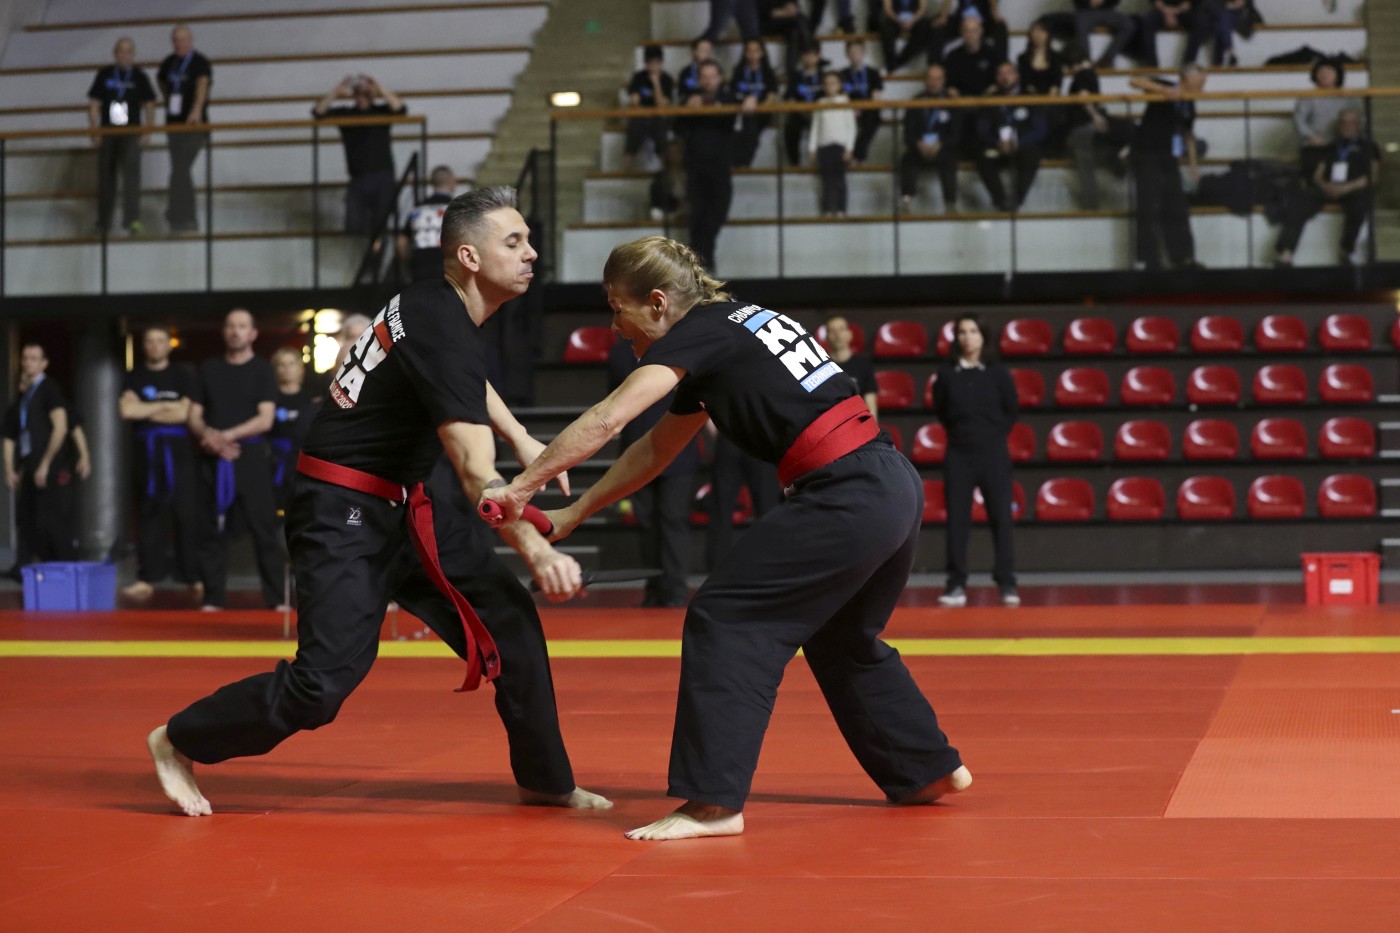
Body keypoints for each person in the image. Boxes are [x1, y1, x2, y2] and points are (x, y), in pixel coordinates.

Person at [483, 236, 970, 840]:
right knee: (843, 635)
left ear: (658, 302)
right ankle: (926, 767)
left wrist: (521, 487)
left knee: (726, 617)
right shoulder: (735, 327)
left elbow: (611, 417)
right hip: (888, 483)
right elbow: (657, 448)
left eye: (617, 307)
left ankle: (713, 804)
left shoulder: (702, 330)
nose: (613, 326)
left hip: (847, 493)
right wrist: (572, 513)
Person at [148, 186, 608, 819]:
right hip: (341, 511)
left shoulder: (428, 300)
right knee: (321, 687)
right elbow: (475, 476)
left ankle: (546, 780)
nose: (532, 253)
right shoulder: (444, 323)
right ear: (469, 257)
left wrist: (520, 434)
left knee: (509, 620)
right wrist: (533, 545)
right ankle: (178, 739)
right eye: (515, 242)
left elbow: (459, 378)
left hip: (405, 506)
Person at [189, 309, 288, 611]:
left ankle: (276, 599)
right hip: (213, 459)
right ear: (224, 332)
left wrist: (225, 436)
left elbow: (265, 419)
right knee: (211, 530)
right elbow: (193, 415)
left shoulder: (262, 370)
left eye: (242, 326)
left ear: (253, 334)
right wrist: (210, 437)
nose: (235, 331)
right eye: (230, 326)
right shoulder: (208, 369)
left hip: (251, 458)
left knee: (264, 530)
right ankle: (212, 598)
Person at [932, 314, 1018, 607]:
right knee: (957, 520)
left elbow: (1011, 409)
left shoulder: (998, 373)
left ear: (983, 336)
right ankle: (955, 584)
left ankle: (1007, 583)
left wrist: (991, 436)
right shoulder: (946, 375)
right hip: (959, 454)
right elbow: (941, 410)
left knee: (1001, 518)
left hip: (994, 453)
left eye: (973, 331)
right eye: (962, 332)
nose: (967, 337)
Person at [607, 339, 699, 608]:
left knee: (673, 519)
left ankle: (675, 588)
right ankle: (654, 587)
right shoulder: (620, 353)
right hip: (637, 450)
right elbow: (612, 402)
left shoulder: (679, 346)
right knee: (646, 521)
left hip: (679, 450)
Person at [118, 326, 202, 600]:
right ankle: (148, 577)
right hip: (146, 452)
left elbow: (185, 414)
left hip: (179, 452)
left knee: (186, 513)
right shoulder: (134, 376)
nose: (154, 345)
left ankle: (191, 575)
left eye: (159, 341)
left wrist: (146, 408)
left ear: (169, 346)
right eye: (149, 341)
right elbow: (127, 410)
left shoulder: (182, 375)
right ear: (144, 346)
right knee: (147, 514)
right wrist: (167, 406)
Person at [2, 343, 77, 573]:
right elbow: (9, 435)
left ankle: (64, 566)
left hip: (47, 464)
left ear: (44, 363)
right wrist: (9, 469)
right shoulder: (24, 397)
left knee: (50, 518)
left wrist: (46, 463)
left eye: (34, 358)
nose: (28, 363)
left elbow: (61, 427)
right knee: (26, 517)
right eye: (25, 358)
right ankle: (23, 565)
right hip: (29, 463)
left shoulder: (49, 388)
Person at [1274, 109, 1379, 268]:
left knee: (1360, 206)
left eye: (1351, 122)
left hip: (1353, 189)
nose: (1346, 125)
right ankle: (1285, 254)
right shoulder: (1330, 146)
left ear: (1358, 125)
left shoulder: (1369, 146)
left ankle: (1346, 250)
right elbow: (1318, 173)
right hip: (1327, 189)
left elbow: (1372, 176)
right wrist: (1325, 186)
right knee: (1299, 203)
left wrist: (1345, 188)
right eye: (1343, 122)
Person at [1130, 65, 1205, 270]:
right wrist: (1163, 91)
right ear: (1187, 79)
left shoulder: (1189, 104)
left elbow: (1188, 135)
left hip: (1168, 157)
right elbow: (1135, 80)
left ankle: (1182, 258)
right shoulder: (1167, 86)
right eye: (1200, 82)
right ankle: (1148, 260)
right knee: (1148, 206)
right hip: (1146, 153)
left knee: (1177, 206)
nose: (1203, 87)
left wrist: (1192, 166)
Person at [313, 74, 406, 235]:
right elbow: (318, 112)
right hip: (358, 178)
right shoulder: (346, 114)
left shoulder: (380, 111)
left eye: (366, 92)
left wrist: (380, 88)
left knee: (381, 226)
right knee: (354, 227)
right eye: (358, 92)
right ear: (354, 94)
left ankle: (378, 259)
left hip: (383, 176)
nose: (362, 96)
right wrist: (336, 92)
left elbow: (400, 109)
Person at [678, 59, 749, 268]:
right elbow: (678, 128)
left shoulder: (729, 97)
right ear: (699, 79)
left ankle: (698, 264)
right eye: (704, 77)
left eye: (712, 76)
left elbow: (736, 117)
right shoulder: (689, 99)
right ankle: (702, 269)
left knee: (717, 212)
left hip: (720, 166)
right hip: (695, 166)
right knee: (697, 216)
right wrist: (687, 109)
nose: (708, 81)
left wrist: (750, 100)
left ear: (720, 78)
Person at [87, 37, 158, 235]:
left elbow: (150, 104)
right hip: (109, 132)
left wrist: (148, 130)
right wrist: (94, 130)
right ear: (115, 53)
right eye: (120, 51)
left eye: (128, 51)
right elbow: (94, 104)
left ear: (133, 54)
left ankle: (132, 220)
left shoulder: (139, 76)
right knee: (106, 178)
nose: (124, 54)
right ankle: (103, 221)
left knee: (131, 178)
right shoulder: (104, 74)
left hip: (131, 133)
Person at [157, 24, 212, 232]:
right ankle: (177, 213)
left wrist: (196, 109)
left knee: (181, 167)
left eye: (183, 39)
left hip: (194, 125)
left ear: (190, 40)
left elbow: (202, 84)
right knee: (178, 168)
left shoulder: (199, 62)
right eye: (176, 40)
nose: (179, 43)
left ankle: (184, 214)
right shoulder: (169, 63)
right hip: (174, 124)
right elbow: (162, 82)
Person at [1063, 49, 1132, 209]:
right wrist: (1095, 115)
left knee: (1085, 161)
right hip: (1084, 125)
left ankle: (1090, 202)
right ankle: (1117, 159)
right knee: (1127, 129)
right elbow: (1084, 96)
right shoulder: (1086, 74)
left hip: (1079, 127)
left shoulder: (1083, 74)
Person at [974, 62, 1047, 212]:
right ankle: (1000, 201)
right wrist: (997, 142)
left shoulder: (1029, 97)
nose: (1005, 77)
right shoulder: (991, 99)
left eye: (1009, 72)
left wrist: (1018, 142)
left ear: (1017, 76)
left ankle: (1017, 200)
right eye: (1000, 74)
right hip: (998, 147)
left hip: (1021, 146)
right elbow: (982, 128)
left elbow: (1039, 128)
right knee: (983, 157)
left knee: (1032, 154)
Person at [900, 62, 962, 213]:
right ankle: (906, 201)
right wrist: (918, 143)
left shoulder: (951, 102)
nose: (934, 82)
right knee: (907, 160)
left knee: (949, 161)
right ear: (925, 80)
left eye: (938, 78)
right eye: (931, 78)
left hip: (943, 147)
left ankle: (950, 203)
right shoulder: (916, 101)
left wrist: (940, 144)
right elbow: (907, 134)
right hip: (920, 147)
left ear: (944, 80)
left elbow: (957, 133)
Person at [268, 346, 322, 513]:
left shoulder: (312, 398)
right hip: (274, 462)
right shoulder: (269, 399)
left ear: (300, 368)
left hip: (303, 459)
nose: (287, 369)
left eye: (291, 363)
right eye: (281, 364)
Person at [1295, 59, 1352, 184]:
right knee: (1313, 160)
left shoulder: (1348, 96)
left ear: (1338, 75)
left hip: (1341, 143)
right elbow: (1299, 121)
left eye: (1329, 71)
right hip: (1315, 144)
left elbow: (1357, 120)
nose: (1324, 75)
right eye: (1321, 72)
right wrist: (1311, 136)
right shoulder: (1307, 96)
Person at [396, 165, 457, 282]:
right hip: (449, 267)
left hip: (420, 266)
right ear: (451, 183)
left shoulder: (418, 209)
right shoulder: (456, 209)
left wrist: (408, 262)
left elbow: (401, 242)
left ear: (432, 182)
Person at [810, 71, 857, 217]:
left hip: (840, 146)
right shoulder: (820, 103)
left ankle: (842, 208)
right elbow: (815, 127)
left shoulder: (845, 101)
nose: (830, 86)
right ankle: (828, 209)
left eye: (833, 83)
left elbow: (851, 127)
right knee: (827, 178)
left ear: (839, 85)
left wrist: (849, 148)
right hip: (824, 146)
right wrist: (811, 148)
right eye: (827, 83)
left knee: (840, 178)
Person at [623, 46, 675, 173]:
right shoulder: (639, 77)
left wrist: (656, 83)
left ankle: (667, 169)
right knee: (637, 124)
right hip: (641, 116)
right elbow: (634, 102)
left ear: (661, 63)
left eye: (655, 63)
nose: (652, 66)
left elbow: (662, 105)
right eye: (649, 63)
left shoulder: (667, 80)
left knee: (660, 126)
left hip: (660, 117)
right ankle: (624, 169)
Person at [730, 39, 778, 168]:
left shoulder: (768, 72)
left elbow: (771, 96)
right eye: (749, 51)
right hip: (741, 111)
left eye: (756, 51)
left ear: (762, 53)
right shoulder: (738, 71)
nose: (752, 54)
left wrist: (757, 107)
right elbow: (733, 93)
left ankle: (743, 164)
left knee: (751, 129)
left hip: (761, 113)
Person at [839, 39, 885, 164]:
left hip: (868, 108)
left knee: (874, 117)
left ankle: (857, 155)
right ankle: (842, 155)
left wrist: (863, 108)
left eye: (857, 51)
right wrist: (852, 108)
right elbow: (843, 96)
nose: (854, 54)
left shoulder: (873, 73)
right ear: (846, 54)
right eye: (851, 51)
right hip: (849, 109)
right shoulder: (842, 74)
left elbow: (876, 96)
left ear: (864, 52)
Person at [784, 45, 826, 168]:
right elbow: (789, 97)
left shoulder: (824, 76)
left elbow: (829, 97)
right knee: (790, 127)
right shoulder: (795, 76)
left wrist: (814, 110)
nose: (809, 58)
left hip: (819, 113)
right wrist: (802, 109)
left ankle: (822, 163)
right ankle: (795, 163)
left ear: (818, 57)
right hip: (799, 112)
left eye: (813, 55)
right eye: (806, 55)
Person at [1072, 0, 1137, 70]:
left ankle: (1106, 60)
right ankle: (1085, 61)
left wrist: (1103, 1)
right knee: (1080, 24)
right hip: (1085, 11)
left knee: (1128, 24)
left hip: (1107, 11)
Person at [1138, 0, 1198, 69]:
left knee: (1199, 21)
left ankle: (1188, 65)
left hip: (1184, 11)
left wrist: (1176, 11)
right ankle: (1151, 65)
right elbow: (1156, 2)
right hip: (1162, 10)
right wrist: (1167, 11)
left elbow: (1190, 3)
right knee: (1147, 21)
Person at [878, 0, 933, 74]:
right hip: (895, 19)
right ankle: (890, 63)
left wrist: (912, 20)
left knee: (925, 29)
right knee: (886, 29)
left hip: (914, 19)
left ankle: (899, 62)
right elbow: (887, 9)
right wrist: (899, 20)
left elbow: (923, 8)